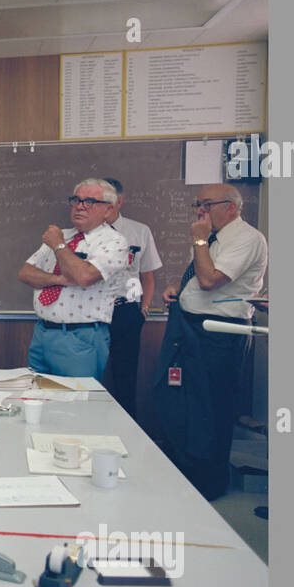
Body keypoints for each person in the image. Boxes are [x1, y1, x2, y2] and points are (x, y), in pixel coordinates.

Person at [154, 184, 266, 500]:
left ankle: (208, 484)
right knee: (180, 401)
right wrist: (177, 286)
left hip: (220, 333)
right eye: (197, 204)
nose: (199, 211)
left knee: (211, 409)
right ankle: (184, 473)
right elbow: (197, 277)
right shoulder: (211, 237)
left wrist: (199, 239)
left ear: (231, 207)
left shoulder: (246, 238)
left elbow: (210, 280)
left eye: (207, 204)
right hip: (189, 326)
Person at [17, 180, 129, 380]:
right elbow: (25, 273)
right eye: (76, 200)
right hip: (42, 332)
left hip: (80, 336)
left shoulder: (115, 242)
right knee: (38, 398)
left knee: (75, 405)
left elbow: (84, 277)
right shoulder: (64, 236)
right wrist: (58, 278)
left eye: (90, 202)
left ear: (108, 209)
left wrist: (59, 246)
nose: (80, 206)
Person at [100, 177, 161, 417]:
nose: (102, 205)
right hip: (90, 311)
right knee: (89, 376)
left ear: (120, 201)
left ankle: (128, 435)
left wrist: (142, 310)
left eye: (108, 199)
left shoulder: (139, 231)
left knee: (125, 378)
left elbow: (148, 276)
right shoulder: (83, 233)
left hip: (126, 311)